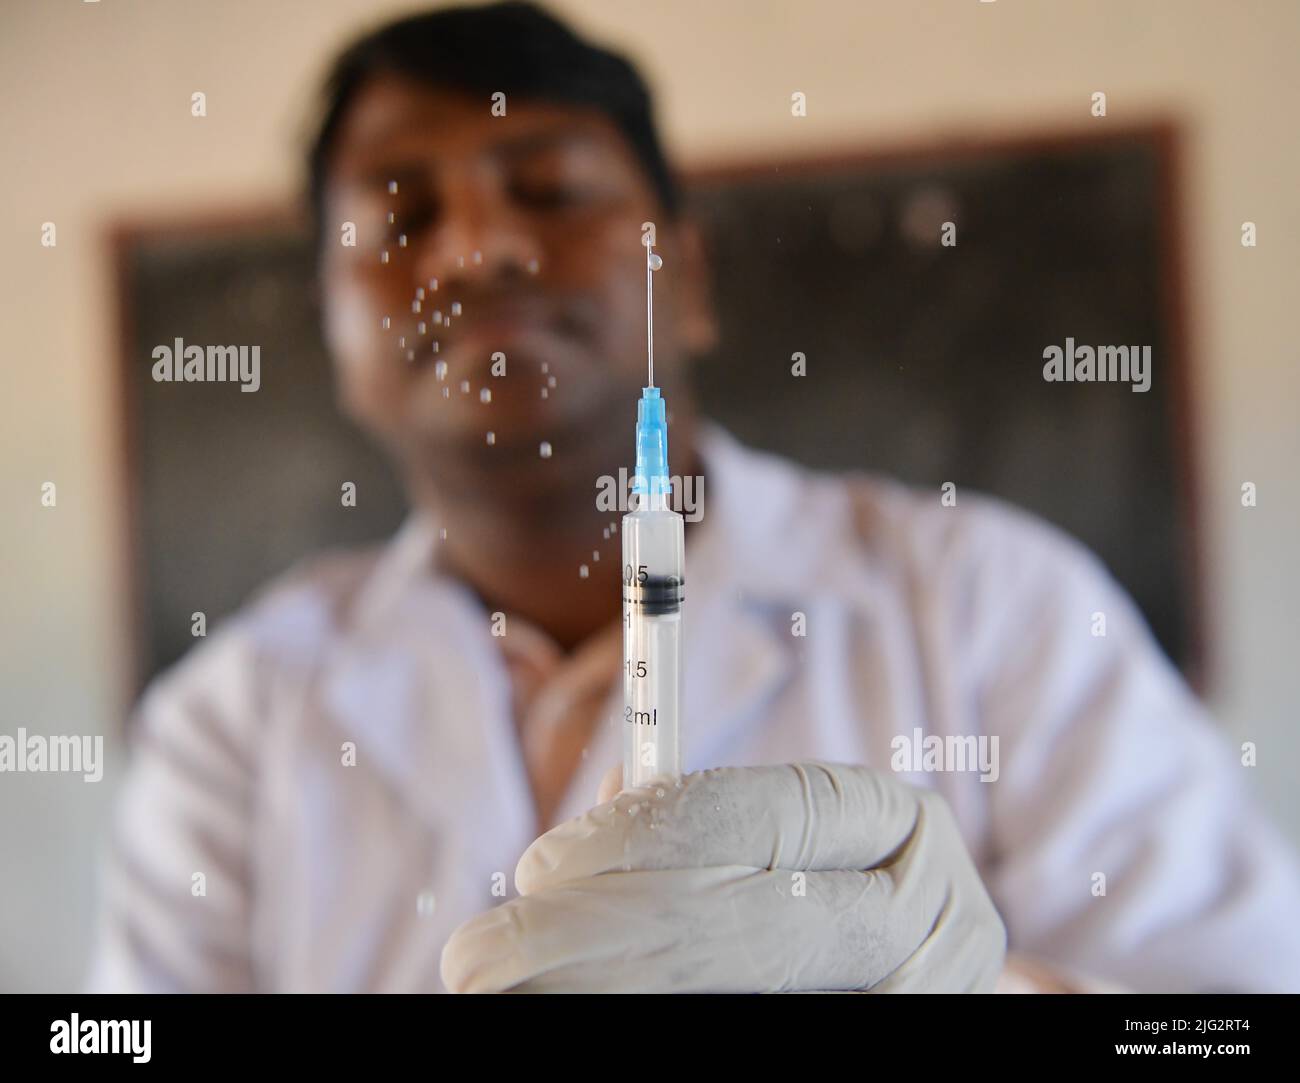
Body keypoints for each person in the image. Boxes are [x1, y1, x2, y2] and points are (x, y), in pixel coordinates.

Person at [85, 1, 1300, 994]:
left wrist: (986, 997)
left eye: (551, 191)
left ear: (692, 275)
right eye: (402, 216)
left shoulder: (991, 603)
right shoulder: (230, 724)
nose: (476, 253)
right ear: (332, 335)